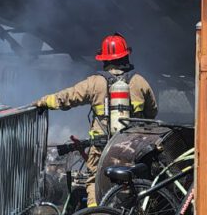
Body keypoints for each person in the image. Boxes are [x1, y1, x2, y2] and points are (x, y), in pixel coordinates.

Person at [34, 33, 157, 205]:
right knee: (132, 181)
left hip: (101, 145)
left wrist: (44, 102)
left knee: (94, 180)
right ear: (126, 56)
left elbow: (68, 97)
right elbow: (152, 112)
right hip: (132, 145)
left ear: (105, 60)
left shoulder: (95, 83)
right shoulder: (140, 82)